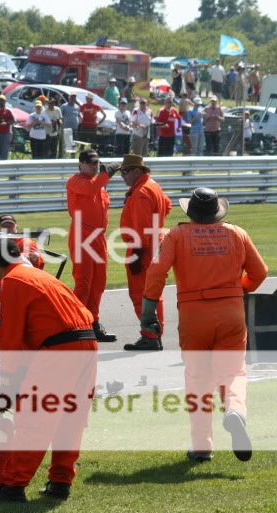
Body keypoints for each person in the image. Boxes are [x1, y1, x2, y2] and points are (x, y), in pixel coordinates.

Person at [143, 187, 268, 463]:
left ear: (192, 212)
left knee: (198, 378)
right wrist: (240, 289)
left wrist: (148, 309)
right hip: (231, 312)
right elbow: (260, 272)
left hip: (193, 315)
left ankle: (202, 445)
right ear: (216, 212)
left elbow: (157, 271)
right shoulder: (237, 233)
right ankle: (235, 411)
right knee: (233, 372)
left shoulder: (176, 235)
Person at [0, 237, 98, 503]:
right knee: (71, 418)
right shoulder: (42, 278)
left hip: (60, 351)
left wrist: (7, 388)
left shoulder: (12, 282)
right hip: (87, 345)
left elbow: (10, 340)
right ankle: (60, 482)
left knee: (34, 419)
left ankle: (12, 486)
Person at [116, 154, 172, 351]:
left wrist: (137, 254)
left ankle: (150, 335)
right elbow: (168, 205)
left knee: (141, 293)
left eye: (125, 171)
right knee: (153, 292)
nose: (122, 176)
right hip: (155, 243)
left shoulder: (141, 193)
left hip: (143, 247)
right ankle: (155, 333)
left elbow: (140, 228)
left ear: (137, 171)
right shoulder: (152, 185)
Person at [66, 150, 117, 342]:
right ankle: (76, 323)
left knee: (98, 282)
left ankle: (93, 322)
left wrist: (103, 177)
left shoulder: (100, 185)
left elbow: (95, 190)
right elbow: (89, 189)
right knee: (84, 282)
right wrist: (106, 174)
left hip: (97, 237)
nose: (94, 166)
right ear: (81, 164)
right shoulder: (75, 180)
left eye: (97, 162)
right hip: (82, 235)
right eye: (90, 163)